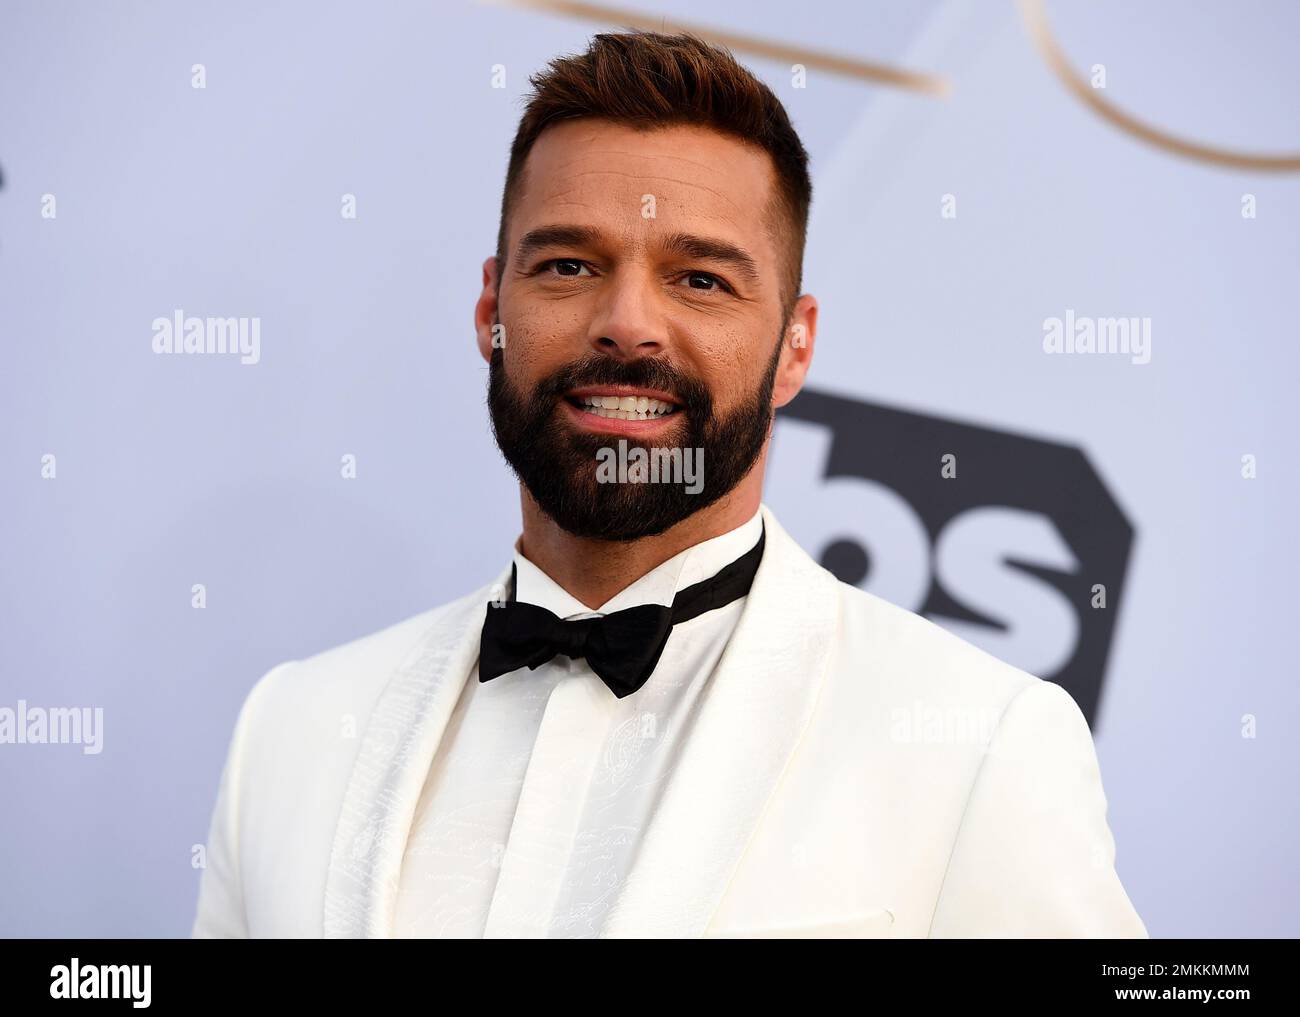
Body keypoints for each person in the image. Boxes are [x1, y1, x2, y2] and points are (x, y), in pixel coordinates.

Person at [192, 29, 1147, 939]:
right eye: (569, 265)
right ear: (492, 310)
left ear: (794, 347)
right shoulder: (293, 728)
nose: (627, 324)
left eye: (700, 280)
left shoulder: (980, 744)